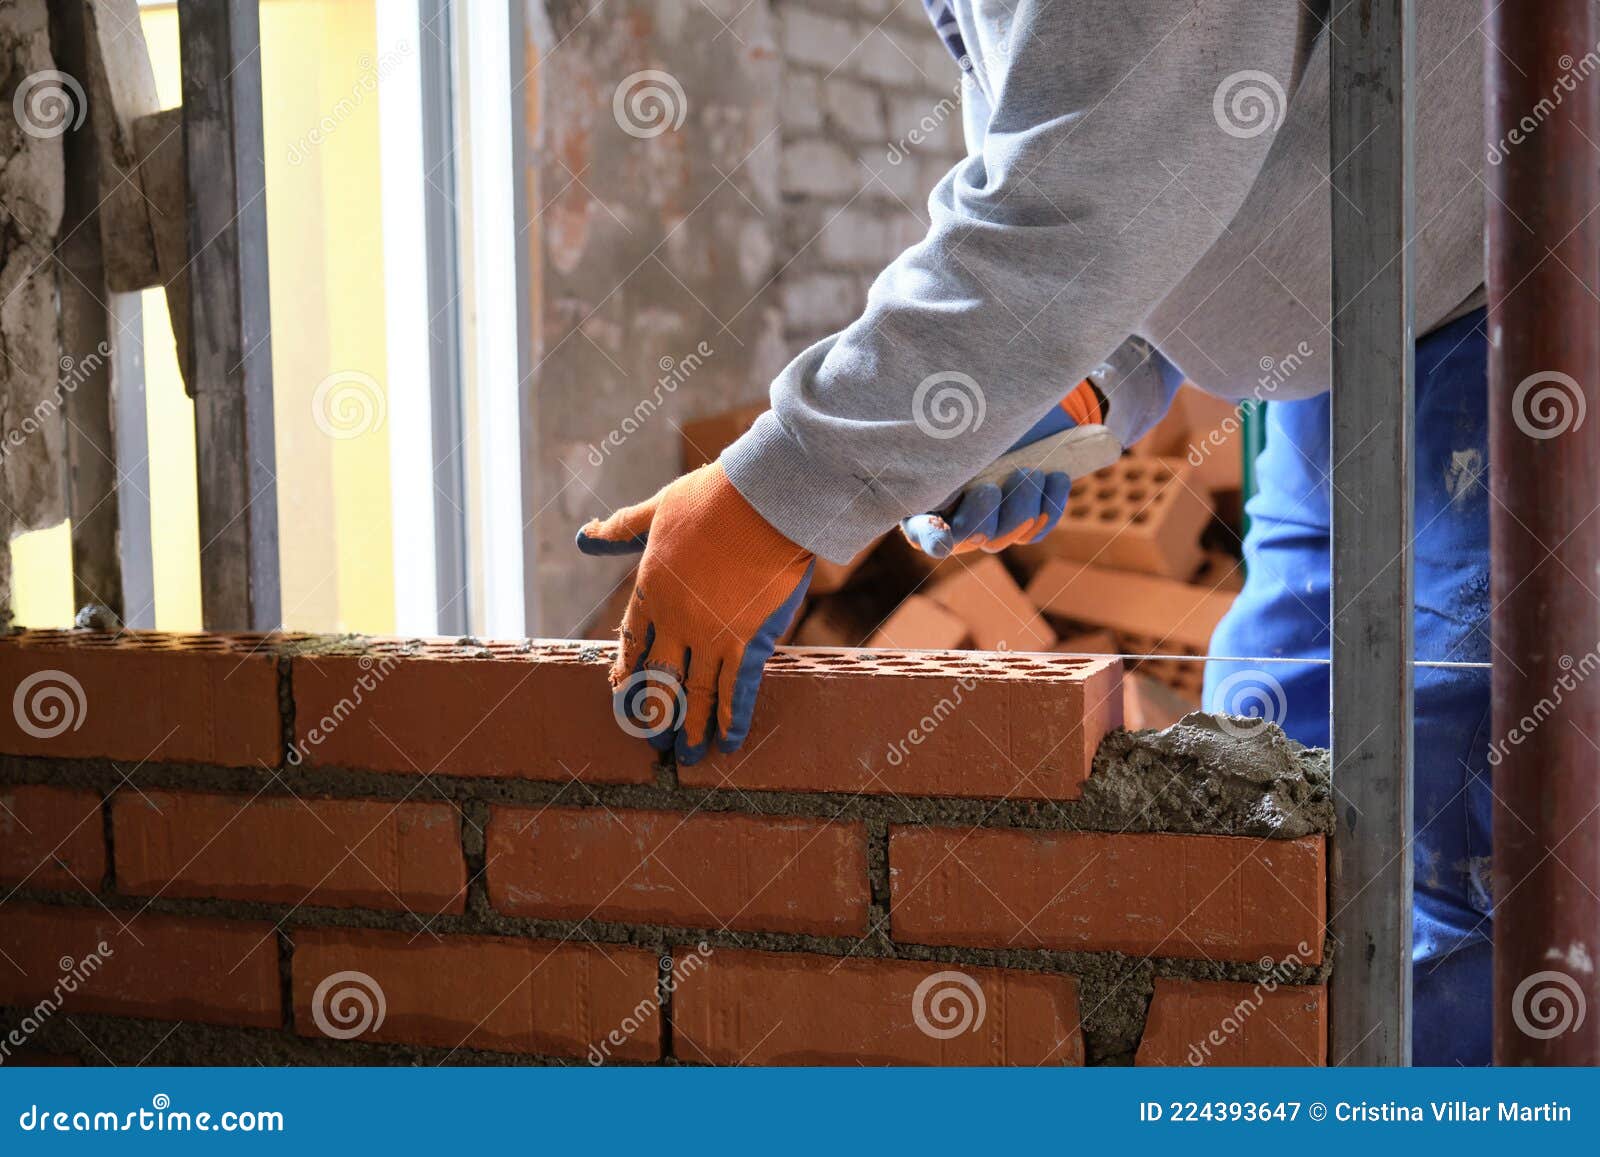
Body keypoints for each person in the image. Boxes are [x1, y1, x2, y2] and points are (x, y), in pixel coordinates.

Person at [577, 2, 1491, 1063]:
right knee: (1287, 760)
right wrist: (1085, 381)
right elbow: (1173, 164)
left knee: (1458, 820)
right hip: (1352, 337)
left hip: (1524, 293)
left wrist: (772, 496)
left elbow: (1089, 189)